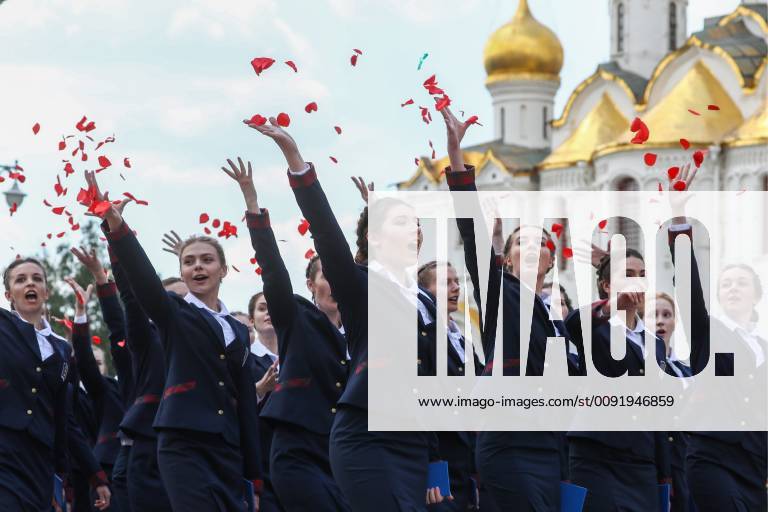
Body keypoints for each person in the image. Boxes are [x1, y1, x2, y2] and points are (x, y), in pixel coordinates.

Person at [244, 116, 448, 510]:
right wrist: (295, 158)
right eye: (403, 223)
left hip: (412, 441)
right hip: (366, 436)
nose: (416, 231)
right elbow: (325, 230)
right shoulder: (359, 286)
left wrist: (435, 461)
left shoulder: (424, 302)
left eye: (418, 224)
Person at [85, 170, 262, 510]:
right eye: (189, 262)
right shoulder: (174, 314)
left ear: (223, 270)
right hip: (181, 444)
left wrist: (254, 479)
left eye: (207, 260)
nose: (198, 267)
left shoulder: (238, 330)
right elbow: (142, 280)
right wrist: (116, 227)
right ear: (181, 271)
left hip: (227, 449)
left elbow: (247, 411)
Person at [441, 105, 574, 511]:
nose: (532, 248)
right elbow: (473, 237)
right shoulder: (503, 294)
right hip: (509, 443)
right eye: (522, 243)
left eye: (542, 244)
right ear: (509, 258)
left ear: (551, 262)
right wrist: (457, 159)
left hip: (550, 448)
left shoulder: (559, 320)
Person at [224, 156, 350, 511]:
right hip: (299, 454)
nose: (337, 280)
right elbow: (274, 273)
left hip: (349, 453)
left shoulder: (363, 331)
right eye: (326, 274)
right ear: (311, 284)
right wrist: (253, 204)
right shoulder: (297, 317)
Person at [0, 257, 110, 511]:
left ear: (46, 292)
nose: (31, 283)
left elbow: (65, 419)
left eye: (37, 279)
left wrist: (95, 474)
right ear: (9, 295)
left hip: (39, 460)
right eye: (21, 279)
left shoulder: (61, 349)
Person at [68, 247, 134, 512]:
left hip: (162, 464)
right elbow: (84, 360)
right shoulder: (106, 389)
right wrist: (81, 316)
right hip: (111, 470)